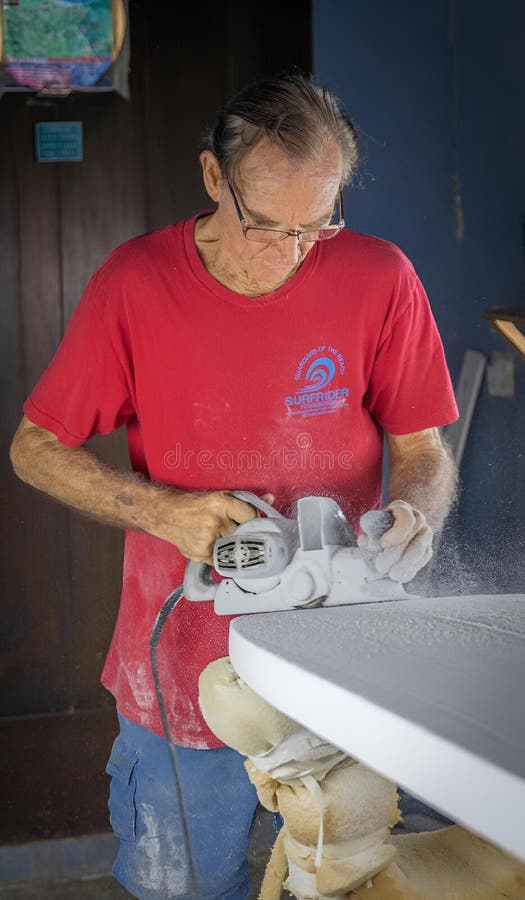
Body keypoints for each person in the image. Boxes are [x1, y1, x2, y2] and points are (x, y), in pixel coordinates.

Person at [10, 73, 458, 899]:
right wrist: (162, 512)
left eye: (314, 227)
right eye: (265, 226)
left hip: (344, 664)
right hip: (183, 673)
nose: (287, 252)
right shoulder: (136, 282)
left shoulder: (379, 276)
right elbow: (34, 448)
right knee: (183, 887)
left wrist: (414, 516)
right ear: (214, 178)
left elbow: (422, 450)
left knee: (351, 885)